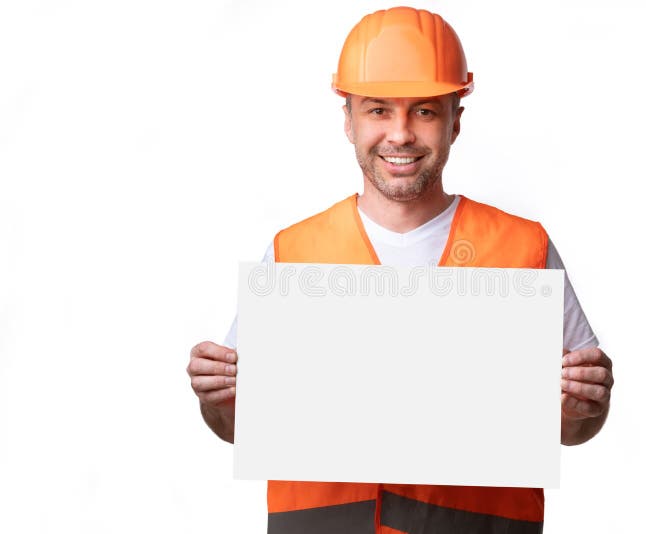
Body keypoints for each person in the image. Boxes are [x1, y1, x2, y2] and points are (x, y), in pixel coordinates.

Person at [187, 6, 613, 534]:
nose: (401, 134)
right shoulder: (292, 254)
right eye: (379, 110)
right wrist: (219, 397)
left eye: (426, 111)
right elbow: (239, 426)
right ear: (348, 120)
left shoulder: (524, 249)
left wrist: (582, 404)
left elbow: (573, 428)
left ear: (456, 118)